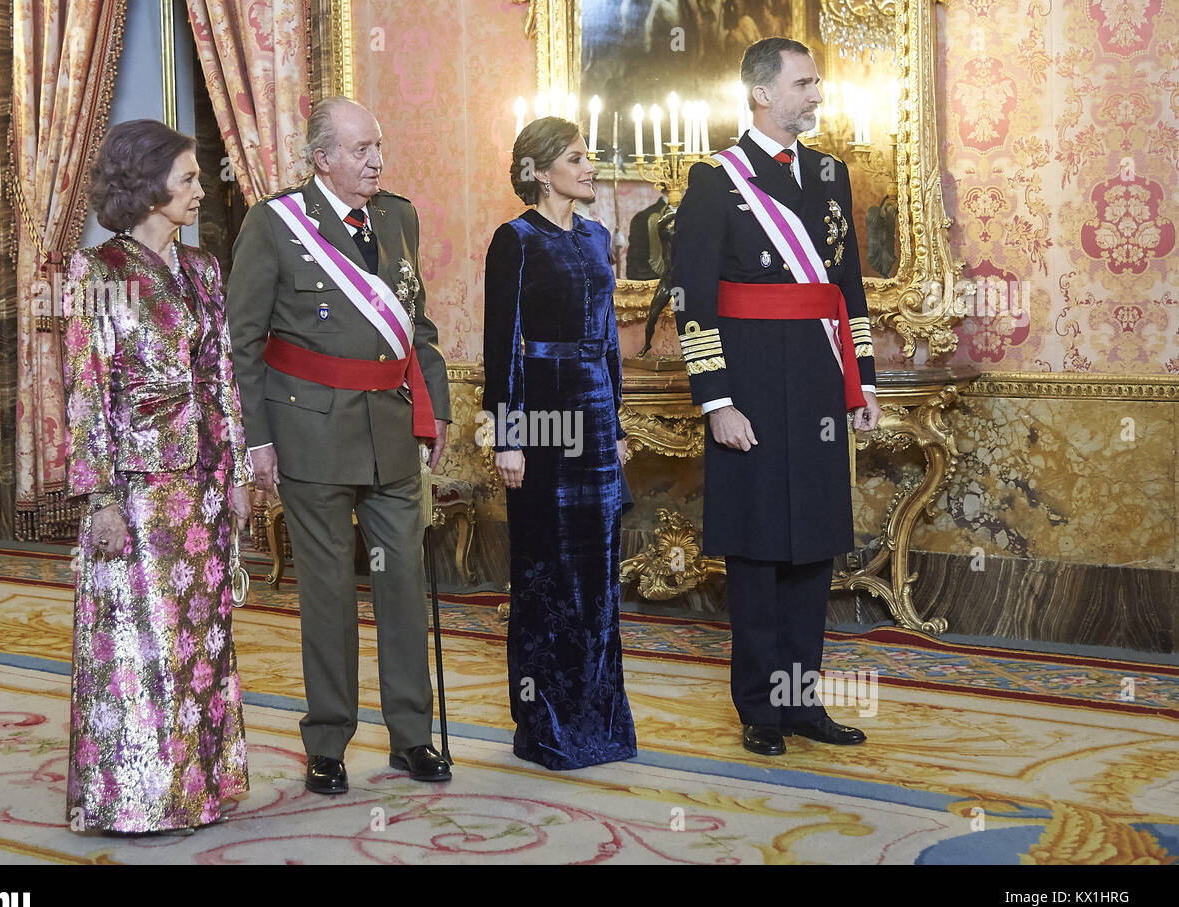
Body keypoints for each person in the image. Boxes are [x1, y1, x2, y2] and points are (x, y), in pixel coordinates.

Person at [226, 97, 452, 794]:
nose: (376, 160)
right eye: (360, 150)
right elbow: (243, 342)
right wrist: (255, 440)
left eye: (378, 145)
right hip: (309, 433)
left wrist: (435, 407)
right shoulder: (274, 225)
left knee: (403, 586)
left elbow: (418, 325)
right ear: (322, 158)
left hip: (389, 427)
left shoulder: (399, 215)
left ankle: (413, 735)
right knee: (326, 593)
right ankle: (327, 739)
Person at [671, 37, 883, 757]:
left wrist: (864, 380)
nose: (816, 94)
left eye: (816, 82)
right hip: (751, 390)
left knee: (813, 551)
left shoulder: (830, 174)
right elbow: (692, 303)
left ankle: (802, 701)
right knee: (759, 555)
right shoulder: (714, 181)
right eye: (804, 83)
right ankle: (760, 708)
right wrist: (716, 400)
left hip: (819, 387)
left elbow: (845, 289)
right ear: (762, 93)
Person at [63, 119, 252, 833]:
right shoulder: (98, 271)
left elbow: (222, 374)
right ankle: (135, 798)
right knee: (141, 642)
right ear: (147, 191)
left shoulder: (203, 268)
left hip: (201, 481)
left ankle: (199, 787)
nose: (202, 190)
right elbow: (86, 390)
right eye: (189, 179)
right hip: (137, 489)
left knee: (199, 642)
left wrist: (233, 468)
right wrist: (101, 496)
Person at [483, 116, 638, 770]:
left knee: (598, 568)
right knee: (548, 568)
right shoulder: (514, 240)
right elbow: (501, 343)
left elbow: (606, 339)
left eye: (588, 156)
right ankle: (545, 722)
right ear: (540, 171)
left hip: (597, 414)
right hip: (542, 417)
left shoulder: (599, 235)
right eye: (576, 158)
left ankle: (599, 723)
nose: (589, 166)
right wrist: (508, 435)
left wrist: (620, 419)